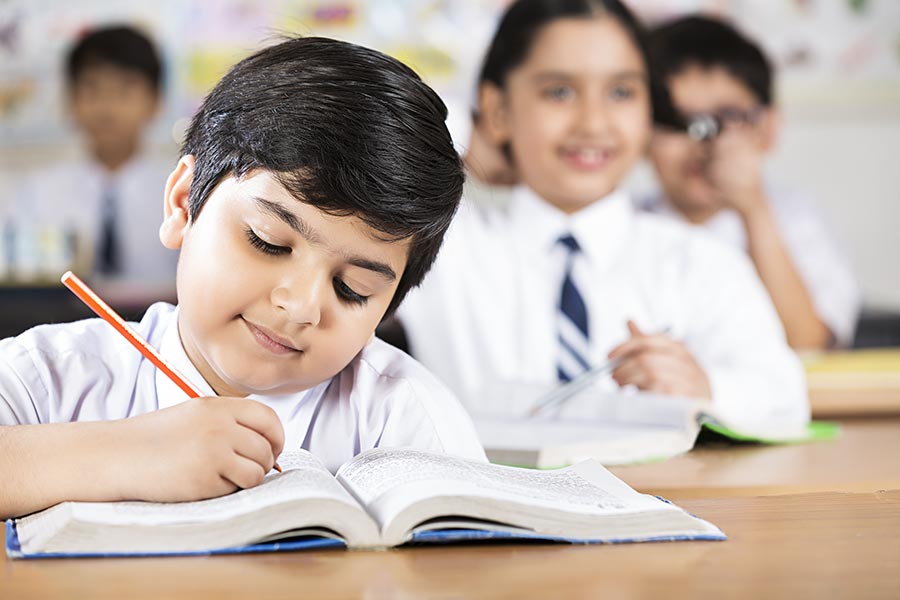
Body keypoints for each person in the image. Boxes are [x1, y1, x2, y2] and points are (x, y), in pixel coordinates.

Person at [0, 36, 485, 520]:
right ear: (183, 203)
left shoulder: (406, 417)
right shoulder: (46, 377)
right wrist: (121, 455)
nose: (301, 306)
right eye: (268, 242)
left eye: (352, 289)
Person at [397, 0, 808, 428]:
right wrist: (471, 137)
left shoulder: (699, 262)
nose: (593, 124)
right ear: (498, 110)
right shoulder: (444, 245)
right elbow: (370, 115)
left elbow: (783, 395)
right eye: (558, 92)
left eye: (621, 92)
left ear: (649, 111)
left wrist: (705, 388)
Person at [640, 15, 860, 350]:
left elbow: (808, 344)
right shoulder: (627, 225)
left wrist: (753, 209)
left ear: (767, 128)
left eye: (727, 117)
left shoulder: (794, 219)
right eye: (677, 121)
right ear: (640, 134)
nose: (702, 141)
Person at [12, 25, 176, 285]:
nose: (107, 107)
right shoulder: (35, 194)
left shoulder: (182, 192)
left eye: (124, 90)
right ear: (71, 100)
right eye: (92, 88)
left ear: (156, 100)